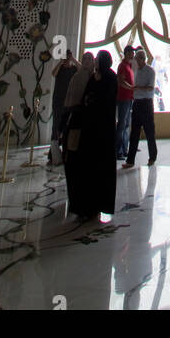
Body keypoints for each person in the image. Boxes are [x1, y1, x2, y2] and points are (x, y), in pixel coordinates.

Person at [69, 50, 118, 219]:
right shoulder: (94, 77)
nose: (95, 62)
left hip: (103, 131)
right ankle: (88, 206)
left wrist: (93, 100)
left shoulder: (110, 77)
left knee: (101, 168)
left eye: (97, 59)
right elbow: (85, 98)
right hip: (91, 129)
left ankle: (99, 204)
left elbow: (107, 102)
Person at [60, 51, 95, 212]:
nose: (87, 62)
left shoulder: (92, 77)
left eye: (90, 59)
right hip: (75, 121)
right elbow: (70, 100)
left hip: (82, 122)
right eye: (85, 59)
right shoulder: (78, 77)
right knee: (73, 155)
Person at [124, 49, 157, 167]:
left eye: (138, 58)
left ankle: (152, 157)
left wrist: (137, 88)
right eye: (135, 58)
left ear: (143, 58)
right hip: (137, 103)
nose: (136, 60)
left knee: (149, 132)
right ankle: (130, 160)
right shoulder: (136, 70)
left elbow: (151, 88)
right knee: (134, 133)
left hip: (146, 104)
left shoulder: (150, 71)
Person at [49, 50, 78, 165]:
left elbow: (82, 70)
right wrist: (60, 62)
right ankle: (53, 155)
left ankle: (64, 154)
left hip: (69, 102)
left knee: (66, 128)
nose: (66, 60)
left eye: (68, 57)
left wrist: (73, 59)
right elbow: (53, 74)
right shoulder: (60, 68)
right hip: (58, 102)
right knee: (56, 127)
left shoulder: (73, 69)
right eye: (65, 57)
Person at [115, 45, 135, 160]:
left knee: (126, 124)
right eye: (131, 52)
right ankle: (118, 151)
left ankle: (124, 149)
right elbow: (121, 81)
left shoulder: (128, 66)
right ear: (127, 53)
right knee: (122, 124)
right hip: (123, 98)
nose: (133, 54)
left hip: (129, 98)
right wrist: (132, 88)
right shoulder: (123, 66)